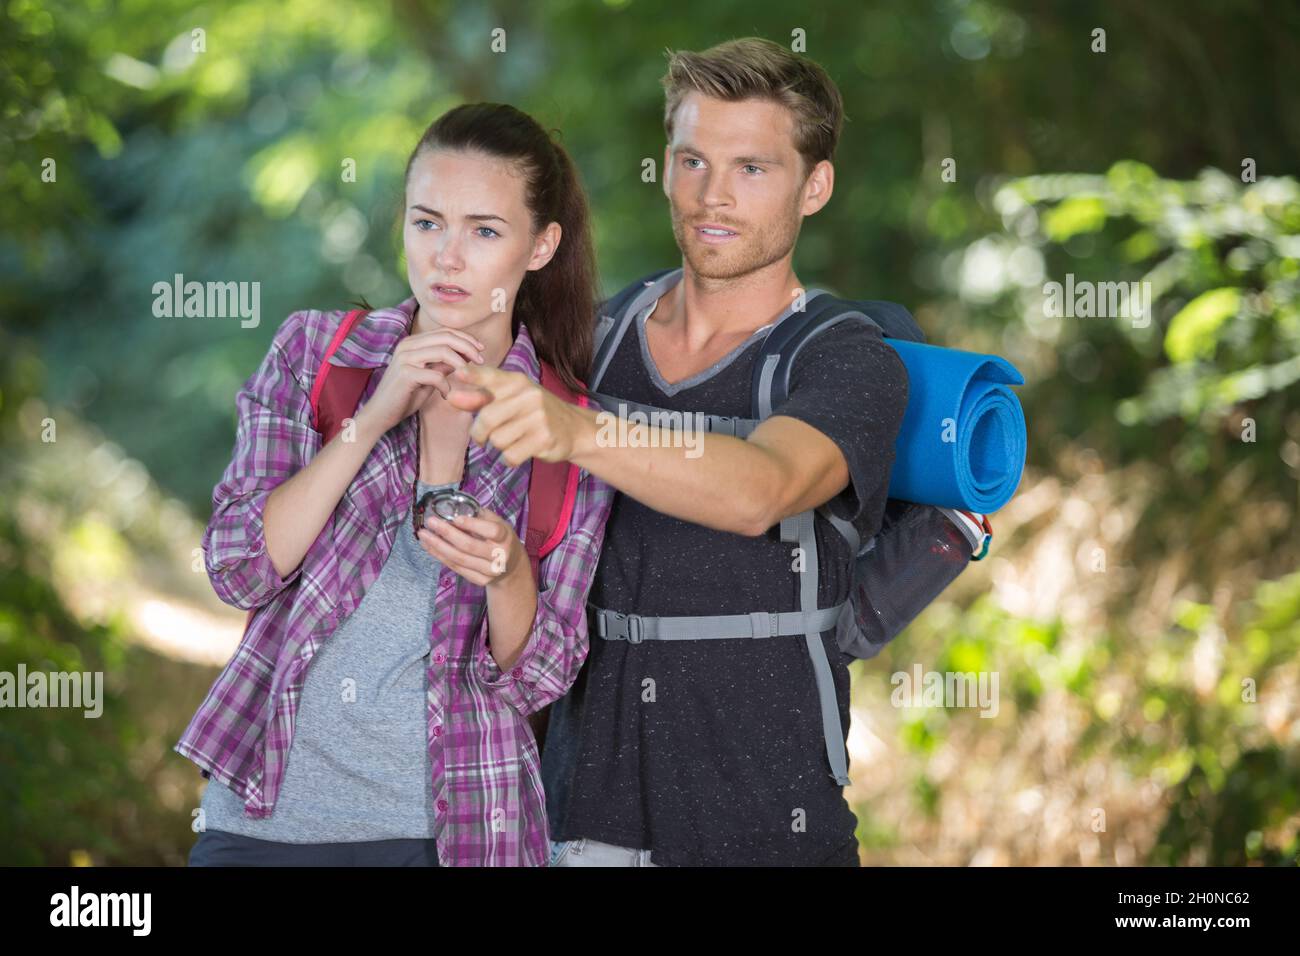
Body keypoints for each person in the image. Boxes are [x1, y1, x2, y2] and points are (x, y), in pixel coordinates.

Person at [449, 38, 910, 866]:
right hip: (579, 807)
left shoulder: (847, 358)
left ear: (817, 185)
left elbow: (760, 490)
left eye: (753, 169)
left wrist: (579, 430)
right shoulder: (594, 340)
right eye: (692, 160)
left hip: (768, 820)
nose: (713, 196)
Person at [176, 102, 614, 867]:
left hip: (455, 836)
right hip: (262, 821)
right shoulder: (316, 352)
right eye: (427, 223)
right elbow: (238, 567)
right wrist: (372, 418)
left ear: (541, 246)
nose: (448, 257)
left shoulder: (568, 427)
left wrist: (509, 570)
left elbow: (538, 677)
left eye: (484, 231)